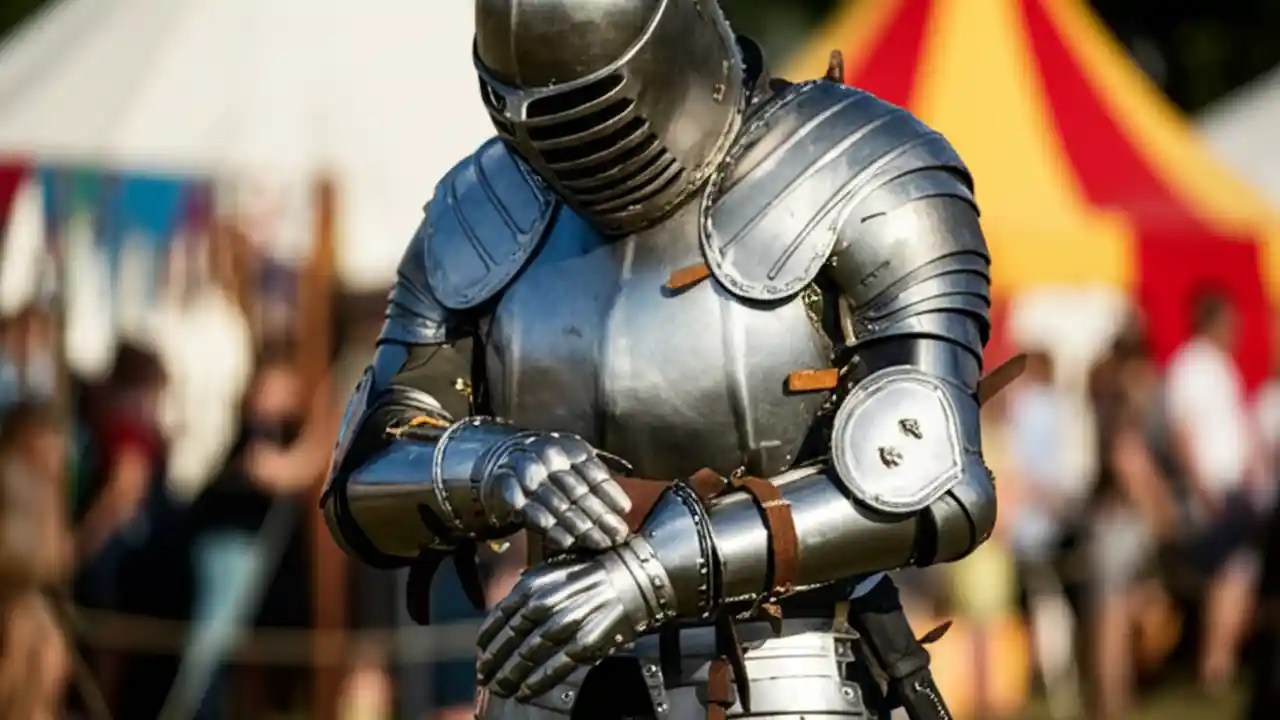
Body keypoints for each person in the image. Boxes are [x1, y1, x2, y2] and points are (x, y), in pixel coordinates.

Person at [322, 2, 997, 718]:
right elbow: (363, 478)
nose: (556, 144)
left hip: (786, 676)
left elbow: (939, 482)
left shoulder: (862, 167)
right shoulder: (482, 207)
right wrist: (493, 465)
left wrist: (656, 573)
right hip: (550, 686)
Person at [186, 345, 334, 719]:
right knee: (214, 647)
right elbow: (272, 471)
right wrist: (323, 440)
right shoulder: (256, 431)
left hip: (262, 557)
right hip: (231, 547)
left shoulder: (285, 429)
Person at [1165, 291, 1258, 693]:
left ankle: (1218, 663)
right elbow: (1183, 433)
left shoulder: (1219, 366)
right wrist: (1202, 490)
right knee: (1229, 574)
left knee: (1235, 575)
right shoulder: (1192, 367)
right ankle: (1214, 667)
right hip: (1211, 492)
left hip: (1230, 489)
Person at [1085, 330, 1179, 720]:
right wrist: (1161, 511)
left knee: (1119, 614)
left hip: (1111, 521)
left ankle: (1111, 701)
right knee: (1115, 617)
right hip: (1120, 522)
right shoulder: (1124, 402)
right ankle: (1114, 704)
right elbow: (1130, 462)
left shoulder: (1105, 396)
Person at [1004, 350, 1081, 719]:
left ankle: (1047, 683)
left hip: (1025, 529)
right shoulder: (1057, 408)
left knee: (1040, 609)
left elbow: (1019, 467)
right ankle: (1054, 685)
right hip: (1048, 525)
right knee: (1049, 608)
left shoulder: (1028, 409)